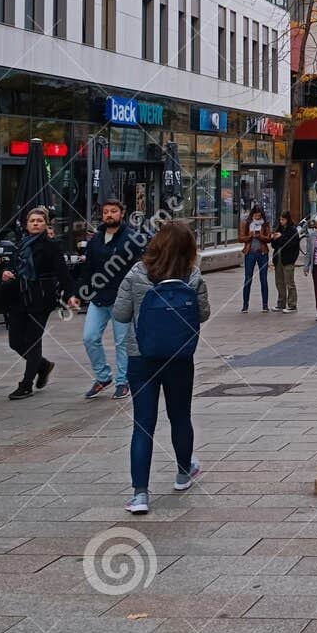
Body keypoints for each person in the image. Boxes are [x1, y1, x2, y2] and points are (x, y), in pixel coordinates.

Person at [112, 219, 210, 516]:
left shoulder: (137, 273)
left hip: (141, 357)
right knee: (181, 416)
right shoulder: (192, 276)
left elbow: (119, 313)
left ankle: (140, 494)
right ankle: (183, 473)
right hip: (180, 357)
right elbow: (202, 314)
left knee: (143, 424)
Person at [0, 207, 80, 401]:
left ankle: (26, 384)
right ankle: (42, 366)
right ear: (27, 225)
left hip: (41, 298)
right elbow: (12, 266)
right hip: (19, 297)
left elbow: (63, 273)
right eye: (32, 221)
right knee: (15, 342)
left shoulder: (52, 246)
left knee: (33, 341)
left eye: (39, 221)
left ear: (46, 225)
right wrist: (7, 273)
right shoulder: (20, 245)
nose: (35, 223)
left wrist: (71, 294)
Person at [77, 198, 148, 400]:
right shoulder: (96, 239)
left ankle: (123, 381)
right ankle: (102, 376)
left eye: (113, 211)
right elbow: (87, 270)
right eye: (106, 211)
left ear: (122, 213)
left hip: (123, 298)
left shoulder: (132, 238)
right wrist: (77, 293)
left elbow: (141, 268)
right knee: (89, 337)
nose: (109, 215)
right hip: (98, 297)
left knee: (122, 342)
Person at [240, 205, 272, 312]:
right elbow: (241, 238)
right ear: (252, 214)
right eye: (255, 215)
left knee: (263, 279)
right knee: (248, 278)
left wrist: (260, 236)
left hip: (262, 253)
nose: (257, 217)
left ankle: (265, 304)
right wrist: (250, 236)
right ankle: (245, 305)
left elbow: (269, 238)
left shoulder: (265, 224)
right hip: (250, 253)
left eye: (259, 215)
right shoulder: (247, 223)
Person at [270, 211, 301, 312]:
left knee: (289, 283)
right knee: (279, 282)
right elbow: (274, 245)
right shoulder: (279, 229)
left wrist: (281, 237)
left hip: (288, 260)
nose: (281, 221)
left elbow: (290, 244)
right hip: (278, 259)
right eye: (280, 219)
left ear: (287, 219)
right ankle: (281, 303)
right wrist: (274, 238)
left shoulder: (292, 230)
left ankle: (292, 304)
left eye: (282, 219)